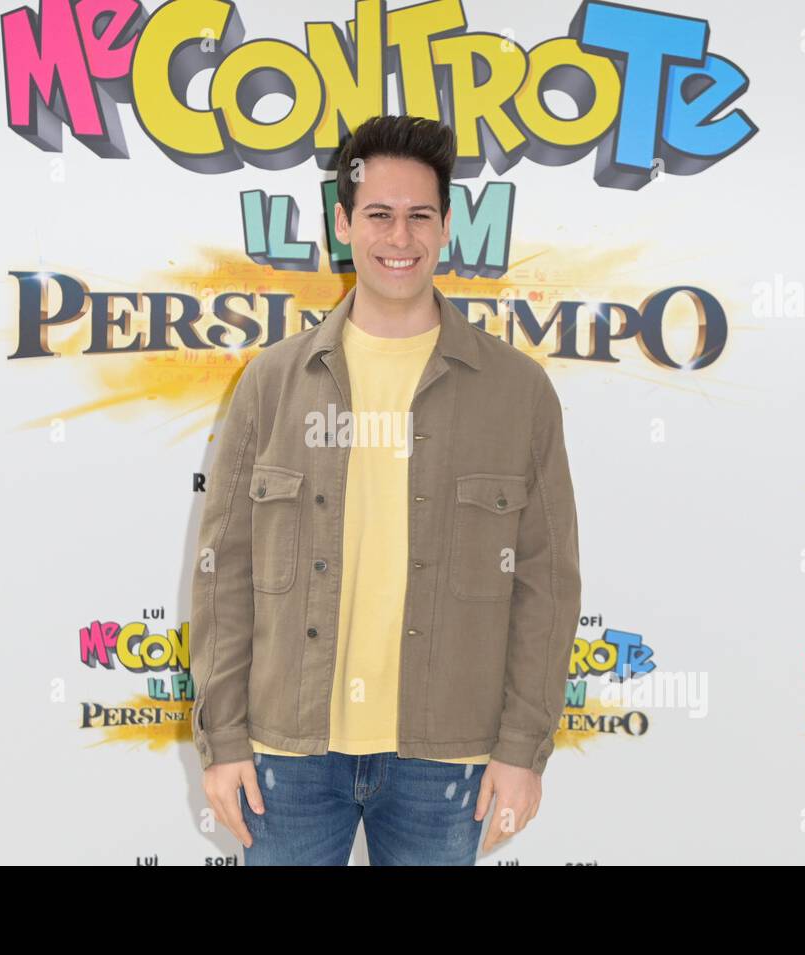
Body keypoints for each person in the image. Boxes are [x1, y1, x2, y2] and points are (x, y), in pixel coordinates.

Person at [190, 114, 581, 865]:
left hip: (447, 759)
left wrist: (523, 747)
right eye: (377, 214)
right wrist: (223, 737)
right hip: (286, 756)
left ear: (446, 226)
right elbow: (222, 574)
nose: (398, 238)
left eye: (418, 216)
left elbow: (547, 583)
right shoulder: (271, 383)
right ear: (343, 223)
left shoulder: (517, 392)